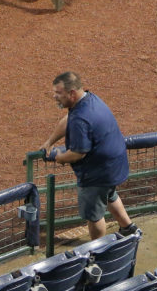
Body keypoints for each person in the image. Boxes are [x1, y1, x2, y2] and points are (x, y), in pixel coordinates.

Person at [39, 71, 137, 241]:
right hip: (114, 165)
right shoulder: (89, 99)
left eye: (58, 93)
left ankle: (98, 249)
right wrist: (50, 142)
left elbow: (78, 153)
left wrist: (60, 158)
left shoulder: (81, 119)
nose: (55, 96)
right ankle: (129, 228)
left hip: (98, 173)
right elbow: (69, 119)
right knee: (109, 195)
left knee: (94, 215)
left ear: (72, 93)